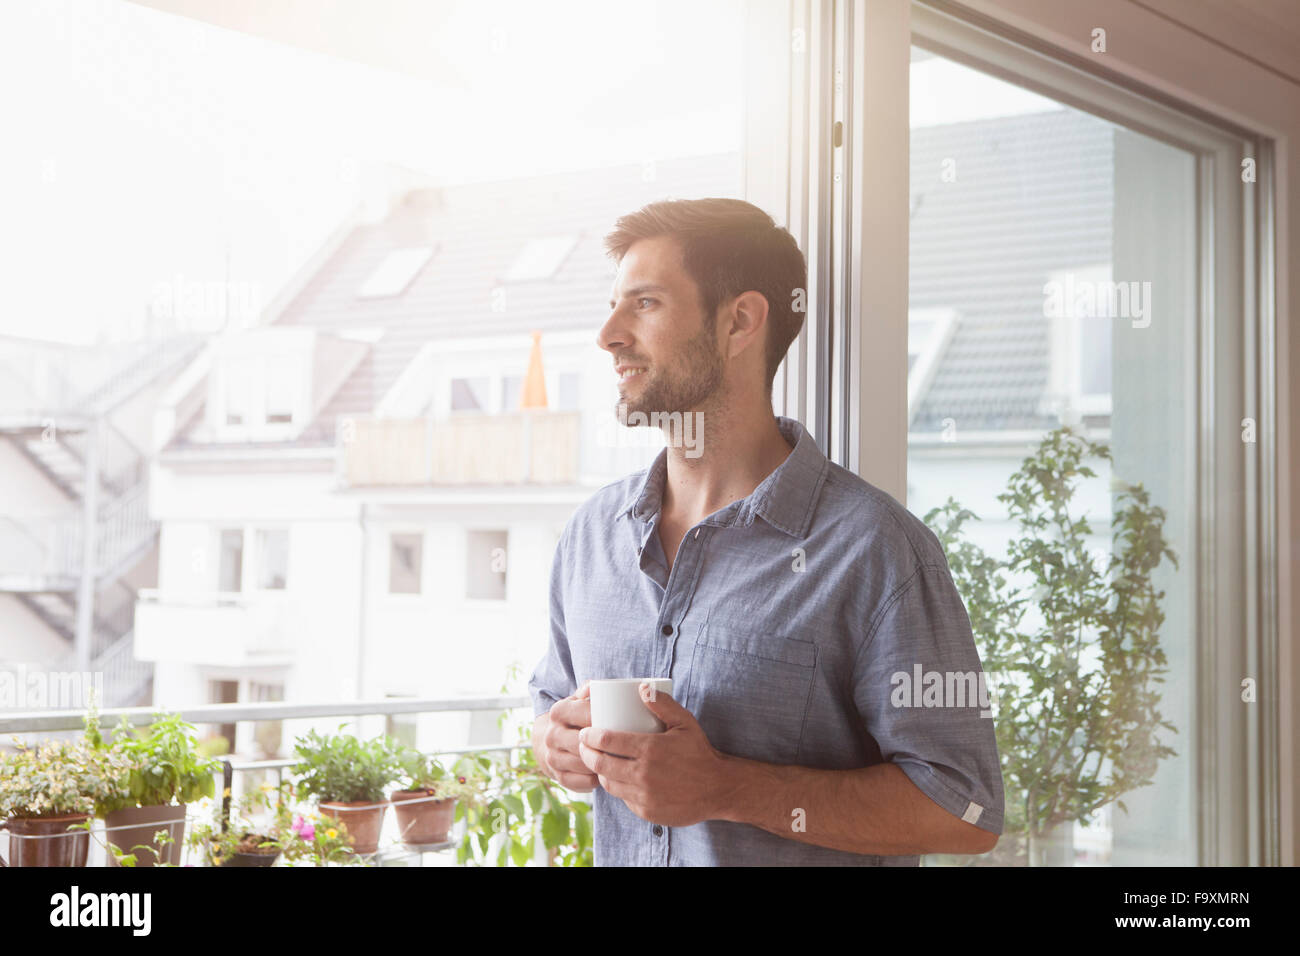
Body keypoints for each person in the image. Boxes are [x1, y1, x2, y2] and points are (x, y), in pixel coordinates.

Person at [528, 197, 1003, 865]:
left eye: (645, 304)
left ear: (741, 320)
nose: (608, 333)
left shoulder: (876, 550)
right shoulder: (588, 539)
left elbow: (965, 809)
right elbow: (550, 707)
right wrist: (554, 745)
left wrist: (724, 787)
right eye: (612, 305)